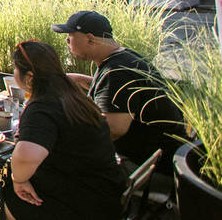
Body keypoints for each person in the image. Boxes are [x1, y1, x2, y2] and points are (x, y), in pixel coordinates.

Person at [0, 40, 125, 219]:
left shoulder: (42, 106)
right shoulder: (73, 95)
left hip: (78, 206)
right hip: (105, 197)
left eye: (15, 69)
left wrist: (18, 180)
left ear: (29, 77)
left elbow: (26, 157)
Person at [54, 10, 185, 174]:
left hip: (148, 168)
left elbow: (112, 130)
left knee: (53, 165)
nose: (67, 40)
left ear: (90, 39)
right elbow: (112, 92)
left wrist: (60, 135)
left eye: (70, 36)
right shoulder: (125, 57)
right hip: (167, 155)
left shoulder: (116, 72)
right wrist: (80, 80)